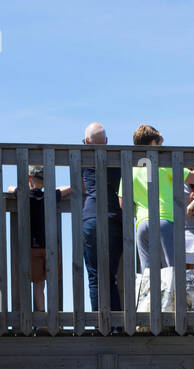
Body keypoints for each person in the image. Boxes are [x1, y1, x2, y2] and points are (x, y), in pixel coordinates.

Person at [7, 165, 70, 312]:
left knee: (38, 284)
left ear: (29, 180)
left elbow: (11, 188)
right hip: (52, 246)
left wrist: (19, 188)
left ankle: (41, 315)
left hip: (33, 247)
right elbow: (69, 188)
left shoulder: (25, 195)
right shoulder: (51, 195)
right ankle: (54, 315)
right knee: (53, 281)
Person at [120, 125, 180, 272]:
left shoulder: (131, 169)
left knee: (147, 273)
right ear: (153, 143)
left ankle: (150, 296)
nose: (162, 147)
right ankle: (172, 296)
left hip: (141, 224)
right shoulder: (162, 163)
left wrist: (140, 212)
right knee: (171, 270)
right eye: (160, 143)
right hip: (164, 220)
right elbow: (193, 177)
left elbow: (123, 203)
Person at [79, 122, 123, 312]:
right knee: (110, 275)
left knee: (95, 276)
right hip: (113, 217)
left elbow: (80, 187)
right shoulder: (116, 160)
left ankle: (99, 323)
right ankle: (116, 325)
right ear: (105, 141)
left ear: (86, 141)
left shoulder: (80, 159)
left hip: (91, 218)